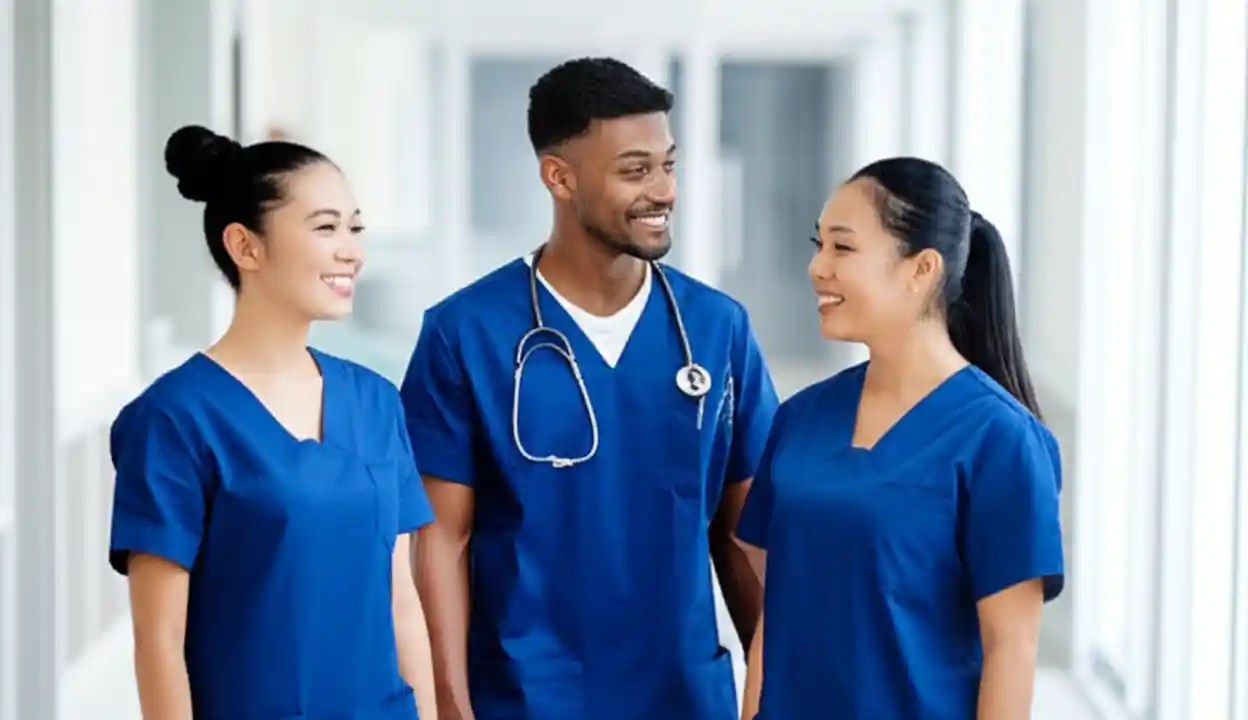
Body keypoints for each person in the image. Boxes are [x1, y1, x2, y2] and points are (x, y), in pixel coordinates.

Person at [402, 57, 779, 719]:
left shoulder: (716, 330)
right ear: (559, 177)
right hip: (524, 697)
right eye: (635, 170)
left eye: (668, 164)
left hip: (684, 696)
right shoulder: (466, 333)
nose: (663, 190)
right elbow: (441, 542)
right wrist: (452, 708)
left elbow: (745, 533)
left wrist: (773, 690)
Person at [107, 125, 436, 719]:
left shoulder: (376, 402)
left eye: (354, 227)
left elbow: (402, 600)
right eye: (326, 227)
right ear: (246, 247)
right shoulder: (173, 420)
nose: (352, 250)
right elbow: (158, 643)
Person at [738, 157, 1065, 719]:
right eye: (818, 245)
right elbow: (778, 616)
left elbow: (1011, 648)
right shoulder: (800, 420)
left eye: (842, 248)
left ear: (922, 269)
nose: (817, 267)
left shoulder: (1000, 439)